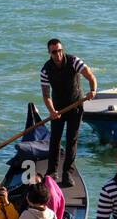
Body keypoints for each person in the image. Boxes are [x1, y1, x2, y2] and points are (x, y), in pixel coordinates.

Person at [40, 38, 97, 188]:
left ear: (62, 50)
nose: (58, 54)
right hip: (58, 108)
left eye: (59, 51)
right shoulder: (45, 70)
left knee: (72, 139)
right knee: (55, 141)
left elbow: (90, 76)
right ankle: (51, 173)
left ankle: (68, 173)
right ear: (49, 53)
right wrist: (52, 111)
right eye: (54, 52)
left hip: (75, 106)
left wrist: (92, 90)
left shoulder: (74, 61)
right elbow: (46, 95)